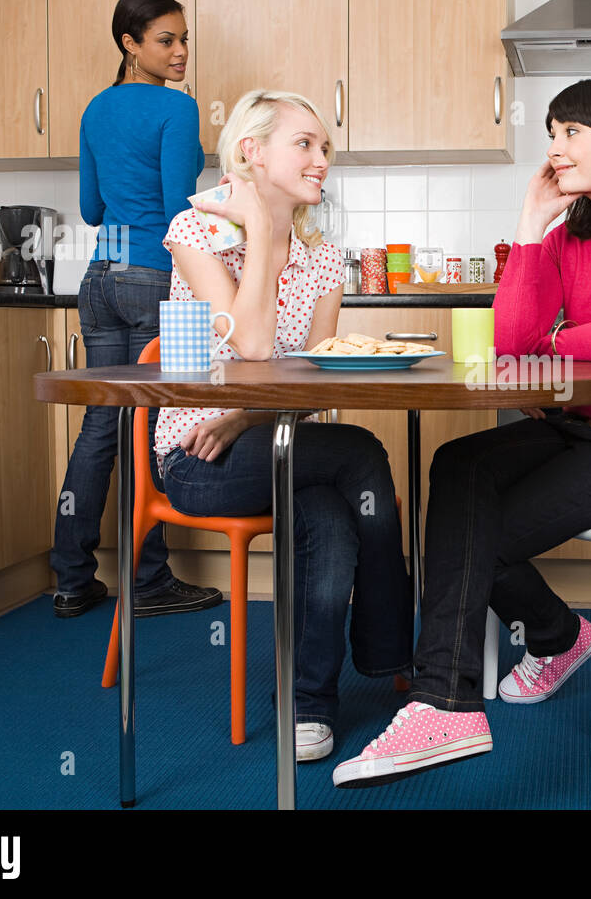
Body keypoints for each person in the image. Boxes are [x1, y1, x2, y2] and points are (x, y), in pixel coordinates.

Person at [334, 76, 591, 788]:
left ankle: (500, 668)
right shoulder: (566, 239)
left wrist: (554, 342)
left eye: (572, 131)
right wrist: (532, 223)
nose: (555, 148)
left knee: (473, 535)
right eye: (551, 133)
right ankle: (476, 684)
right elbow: (513, 342)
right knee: (457, 467)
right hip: (574, 426)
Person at [156, 89, 413, 761]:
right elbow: (252, 347)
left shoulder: (325, 258)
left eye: (324, 147)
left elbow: (310, 384)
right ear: (251, 151)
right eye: (305, 143)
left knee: (330, 517)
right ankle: (394, 652)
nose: (321, 159)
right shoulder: (195, 233)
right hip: (197, 459)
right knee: (360, 453)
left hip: (272, 443)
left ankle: (309, 706)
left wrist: (245, 416)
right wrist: (265, 235)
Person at [52, 0, 220, 619]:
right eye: (165, 41)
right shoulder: (177, 110)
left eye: (183, 40)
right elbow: (182, 207)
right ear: (131, 43)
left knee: (102, 426)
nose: (180, 53)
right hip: (156, 282)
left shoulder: (96, 109)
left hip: (98, 281)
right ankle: (147, 581)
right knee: (151, 427)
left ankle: (72, 576)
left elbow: (93, 210)